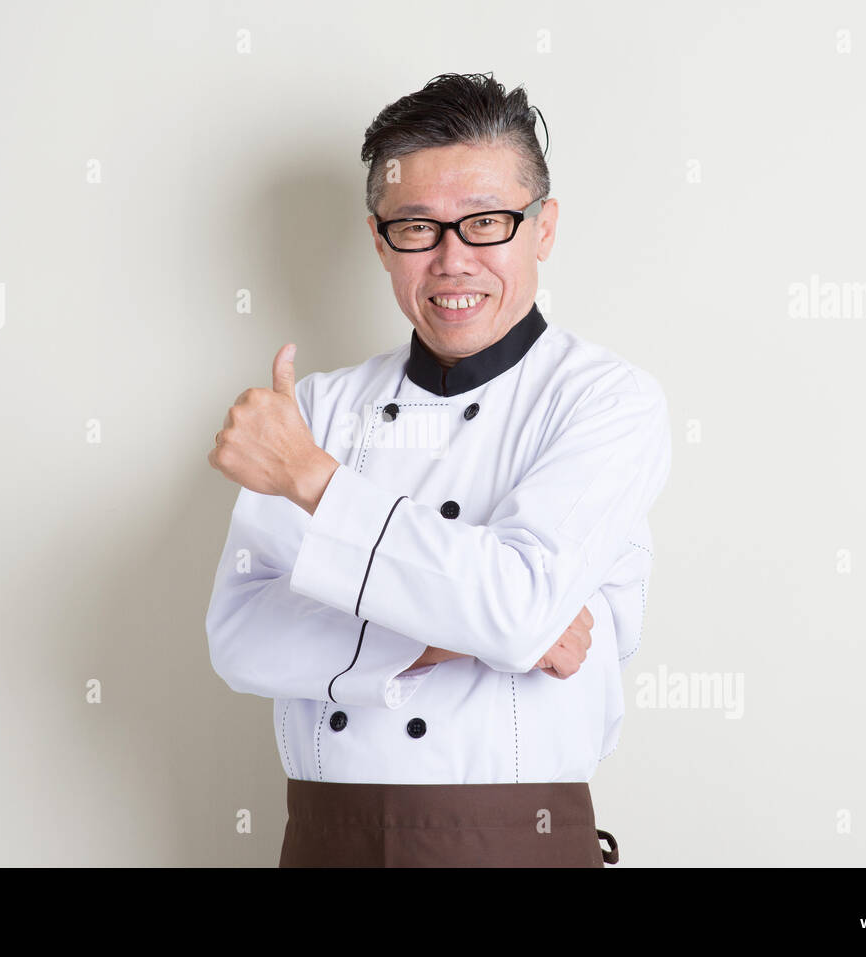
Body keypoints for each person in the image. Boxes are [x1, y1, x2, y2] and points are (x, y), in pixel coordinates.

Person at [205, 73, 672, 867]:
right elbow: (241, 639)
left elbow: (518, 609)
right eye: (417, 227)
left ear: (543, 228)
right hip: (325, 840)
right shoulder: (316, 405)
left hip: (517, 842)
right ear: (380, 239)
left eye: (486, 222)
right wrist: (471, 631)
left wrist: (316, 482)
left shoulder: (606, 401)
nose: (453, 261)